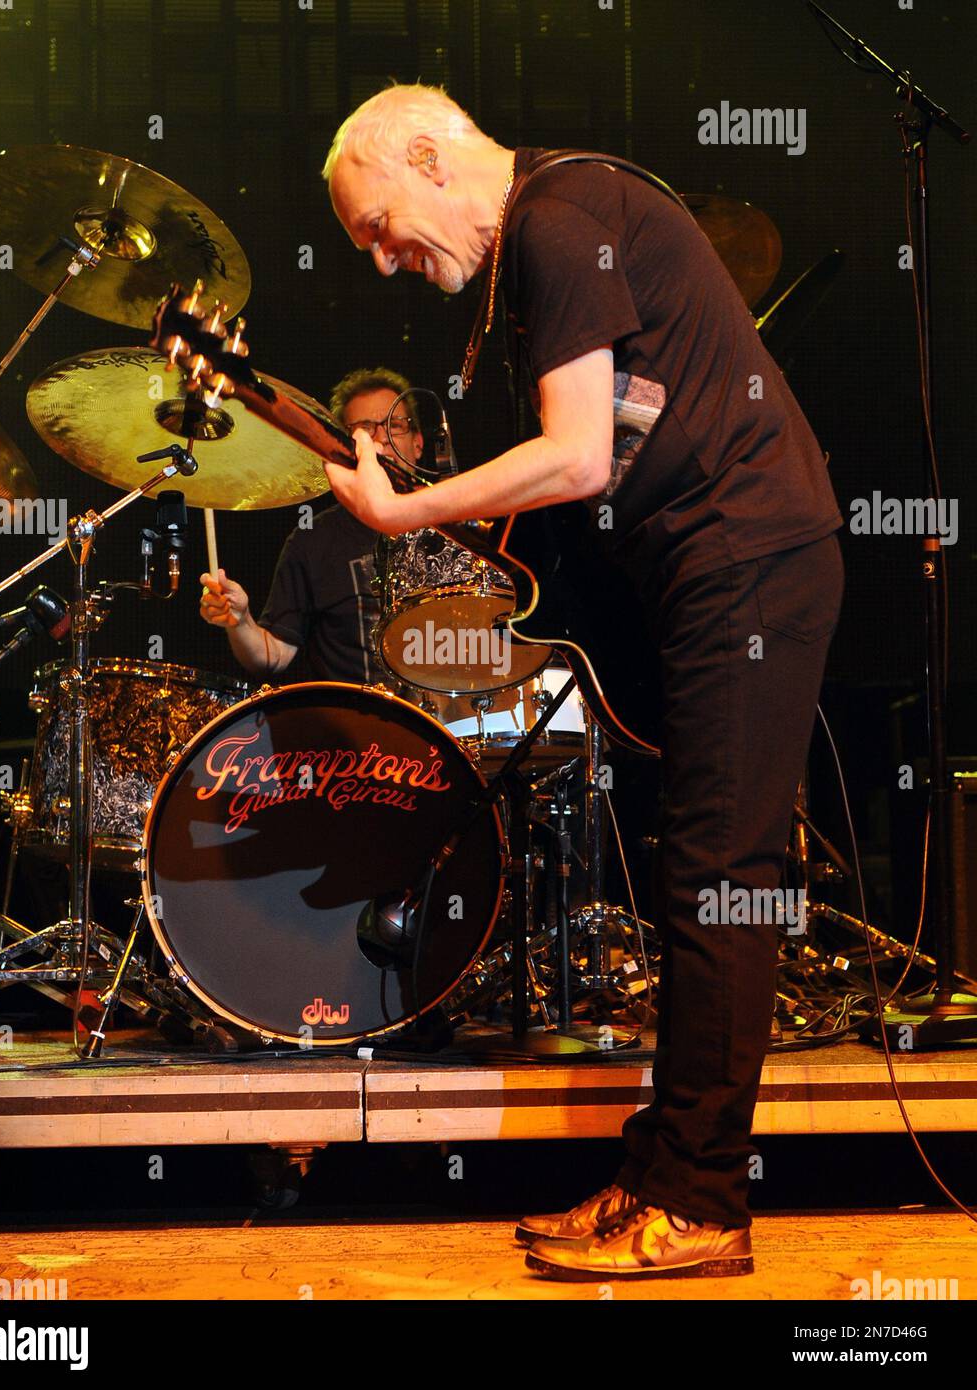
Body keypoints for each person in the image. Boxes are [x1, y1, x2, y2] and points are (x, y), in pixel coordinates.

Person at [321, 83, 844, 1280]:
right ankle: (659, 1174)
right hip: (707, 568)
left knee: (718, 878)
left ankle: (703, 1202)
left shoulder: (557, 217)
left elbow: (571, 454)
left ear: (425, 155)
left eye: (377, 224)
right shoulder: (548, 228)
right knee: (687, 871)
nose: (385, 260)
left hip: (747, 559)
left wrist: (405, 509)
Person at [199, 367, 422, 684]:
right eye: (364, 428)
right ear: (343, 448)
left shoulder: (458, 524)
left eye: (395, 425)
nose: (381, 438)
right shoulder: (313, 540)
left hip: (457, 723)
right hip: (361, 728)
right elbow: (272, 658)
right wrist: (240, 620)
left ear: (419, 443)